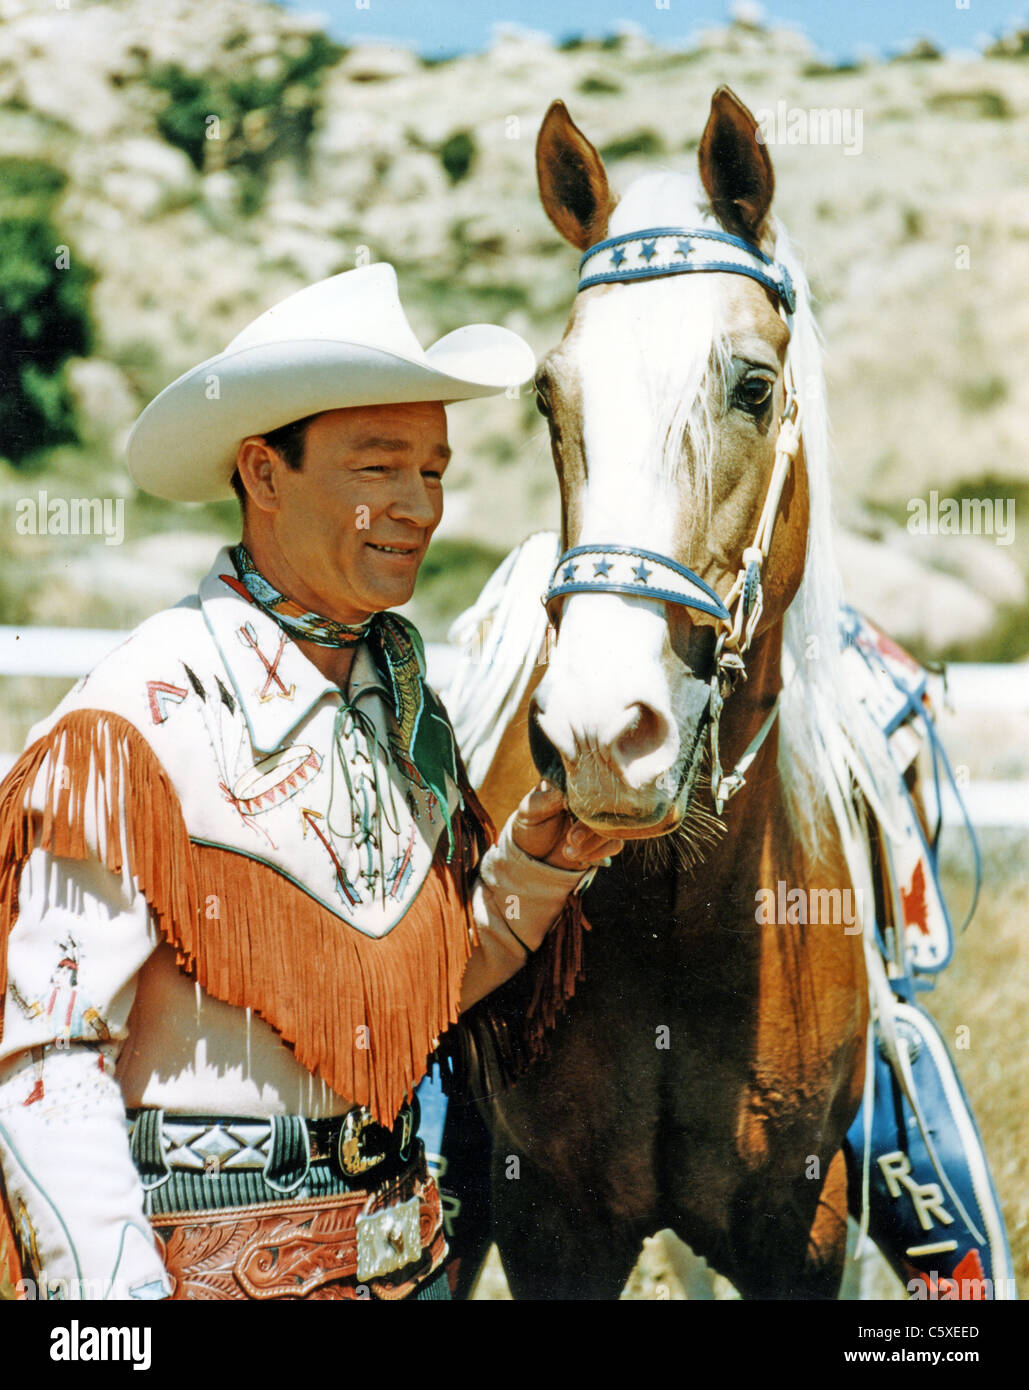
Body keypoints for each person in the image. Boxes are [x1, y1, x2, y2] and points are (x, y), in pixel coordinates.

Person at [0, 263, 622, 1301]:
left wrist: (531, 871)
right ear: (264, 471)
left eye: (434, 470)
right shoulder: (132, 723)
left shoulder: (402, 702)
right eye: (380, 467)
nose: (418, 506)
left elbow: (400, 1003)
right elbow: (46, 1064)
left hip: (405, 1263)